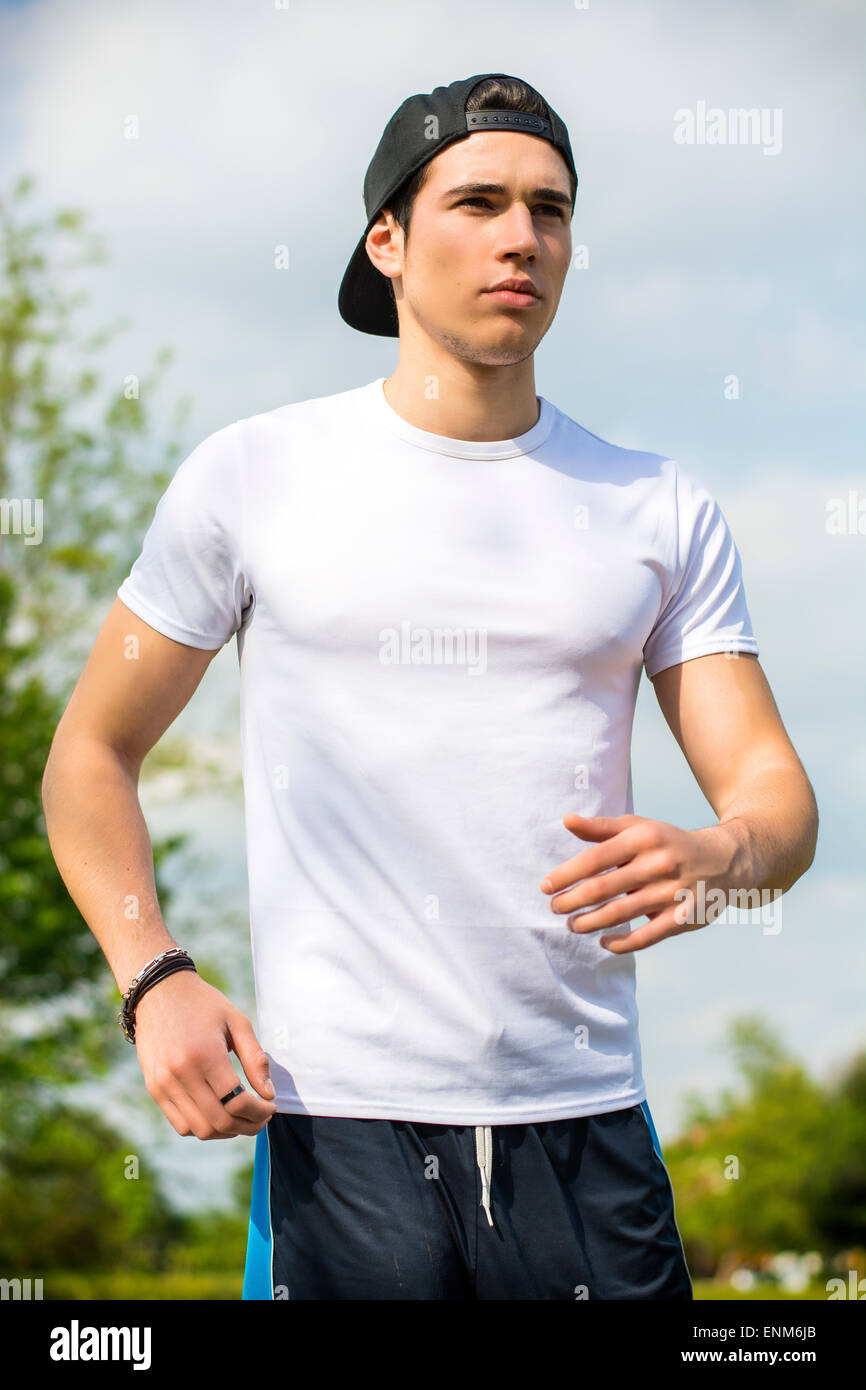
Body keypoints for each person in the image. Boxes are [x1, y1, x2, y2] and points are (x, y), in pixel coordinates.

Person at [41, 72, 818, 1301]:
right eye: (480, 201)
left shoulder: (657, 504)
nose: (522, 237)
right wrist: (154, 978)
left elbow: (774, 796)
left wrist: (718, 853)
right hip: (335, 1130)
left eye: (550, 210)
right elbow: (88, 755)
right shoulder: (251, 477)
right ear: (387, 242)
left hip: (587, 1130)